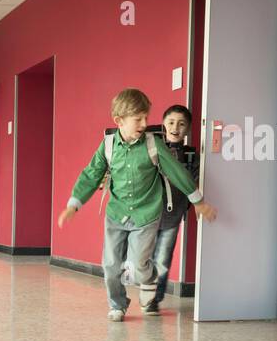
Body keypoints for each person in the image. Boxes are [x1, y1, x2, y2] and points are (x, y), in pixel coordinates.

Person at [56, 88, 217, 321]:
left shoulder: (153, 144)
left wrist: (198, 201)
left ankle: (149, 280)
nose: (144, 123)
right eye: (138, 119)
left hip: (146, 215)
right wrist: (73, 204)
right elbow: (91, 175)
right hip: (116, 214)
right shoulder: (108, 146)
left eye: (146, 117)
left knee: (139, 266)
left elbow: (177, 172)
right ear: (119, 121)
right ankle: (117, 305)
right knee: (111, 265)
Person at [150, 104, 198, 311]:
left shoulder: (190, 156)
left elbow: (193, 183)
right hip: (149, 214)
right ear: (163, 124)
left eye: (181, 124)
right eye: (170, 122)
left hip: (172, 216)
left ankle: (154, 300)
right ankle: (146, 291)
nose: (175, 127)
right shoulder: (152, 149)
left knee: (162, 259)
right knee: (144, 257)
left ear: (187, 129)